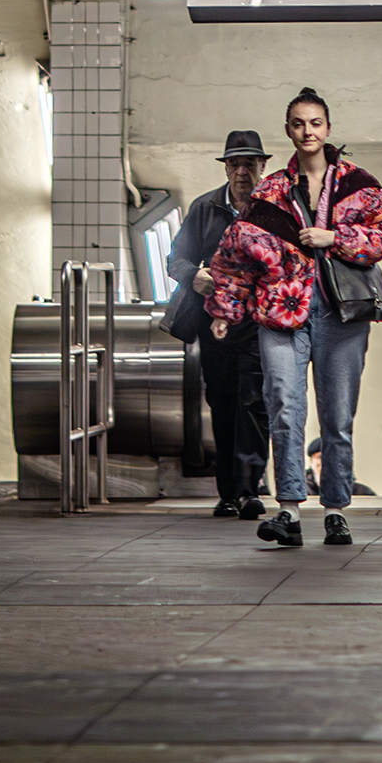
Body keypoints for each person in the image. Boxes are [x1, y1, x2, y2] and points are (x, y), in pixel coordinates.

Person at [208, 87, 382, 548]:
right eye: (298, 123)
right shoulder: (271, 189)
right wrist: (225, 309)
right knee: (283, 409)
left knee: (337, 415)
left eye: (315, 123)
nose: (307, 131)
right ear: (289, 130)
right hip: (279, 312)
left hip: (341, 314)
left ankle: (335, 511)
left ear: (327, 128)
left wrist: (333, 237)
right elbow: (237, 252)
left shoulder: (359, 184)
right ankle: (289, 511)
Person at [167, 130, 271, 520]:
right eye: (234, 164)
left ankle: (250, 489)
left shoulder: (276, 209)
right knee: (223, 404)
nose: (242, 171)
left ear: (263, 165)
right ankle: (228, 492)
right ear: (226, 168)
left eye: (250, 163)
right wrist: (194, 275)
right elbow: (175, 260)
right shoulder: (204, 208)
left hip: (261, 323)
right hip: (215, 324)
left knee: (255, 402)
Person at [306, 437, 376, 498]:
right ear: (311, 461)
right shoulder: (302, 491)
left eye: (332, 457)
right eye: (320, 457)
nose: (326, 462)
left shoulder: (360, 492)